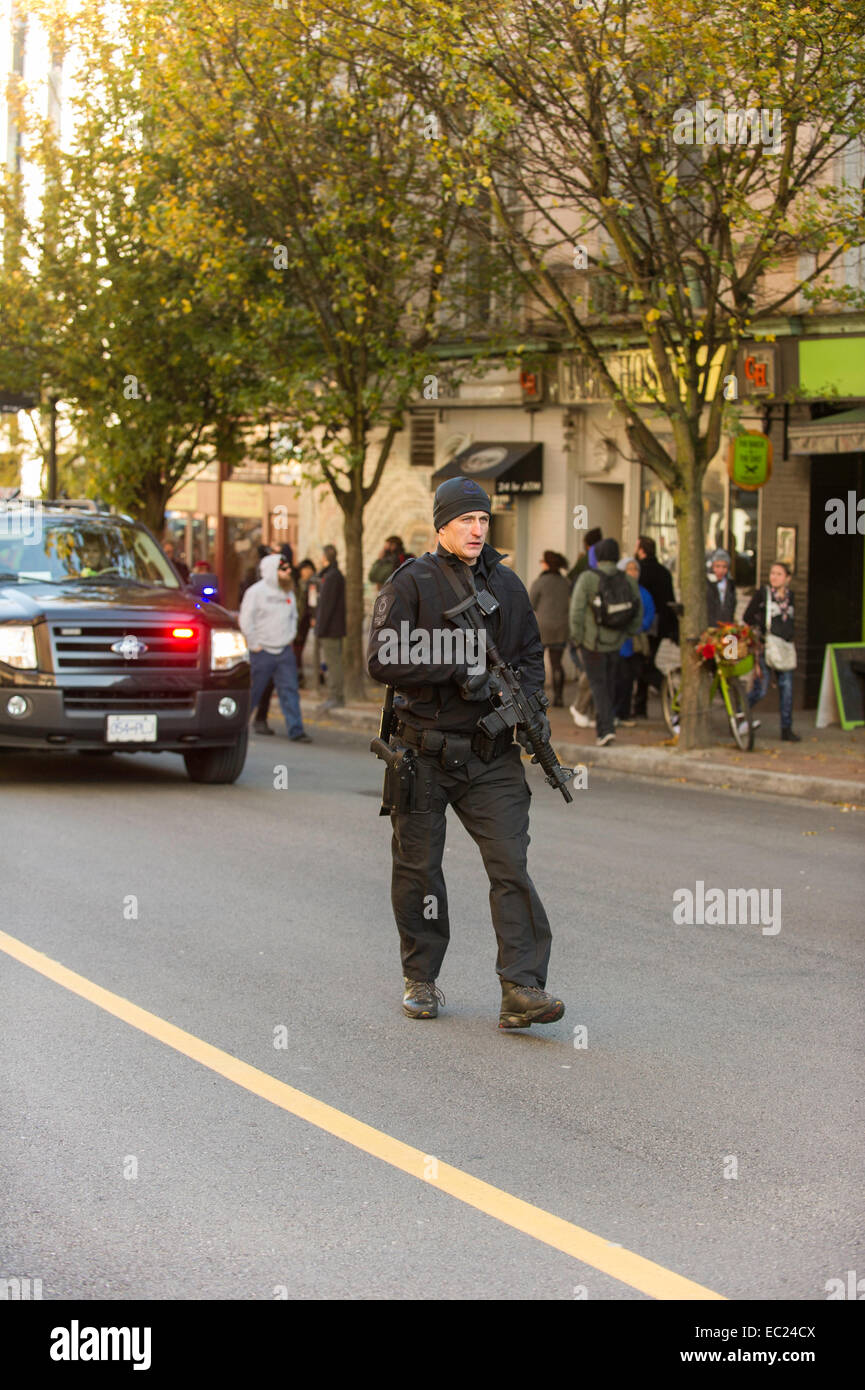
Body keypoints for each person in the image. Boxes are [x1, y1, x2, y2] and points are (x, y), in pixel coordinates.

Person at [366, 475, 565, 1030]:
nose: (477, 529)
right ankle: (421, 979)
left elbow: (528, 654)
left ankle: (522, 988)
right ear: (442, 526)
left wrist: (531, 708)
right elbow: (381, 660)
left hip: (490, 756)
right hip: (424, 752)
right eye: (465, 521)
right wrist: (457, 669)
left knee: (511, 867)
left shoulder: (508, 586)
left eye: (483, 520)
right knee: (419, 870)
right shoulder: (409, 585)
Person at [569, 537, 642, 746]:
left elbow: (576, 611)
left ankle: (605, 730)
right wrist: (626, 634)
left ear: (598, 556)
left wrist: (577, 637)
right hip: (615, 642)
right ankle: (605, 726)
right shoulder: (627, 579)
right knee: (608, 684)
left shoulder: (587, 578)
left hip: (592, 643)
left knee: (598, 685)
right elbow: (637, 610)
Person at [238, 554, 312, 743]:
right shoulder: (255, 592)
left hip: (283, 651)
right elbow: (246, 620)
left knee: (290, 690)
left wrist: (290, 638)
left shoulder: (287, 593)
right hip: (262, 652)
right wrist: (255, 645)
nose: (288, 572)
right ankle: (237, 727)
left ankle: (296, 730)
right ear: (272, 571)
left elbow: (293, 617)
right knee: (254, 691)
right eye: (283, 569)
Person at [743, 561, 800, 742]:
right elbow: (747, 616)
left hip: (785, 647)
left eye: (779, 574)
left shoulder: (791, 596)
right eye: (772, 573)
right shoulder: (763, 593)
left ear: (788, 578)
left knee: (787, 688)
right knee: (761, 689)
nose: (774, 577)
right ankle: (739, 713)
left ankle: (786, 728)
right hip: (766, 646)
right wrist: (761, 629)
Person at [632, 535, 678, 717]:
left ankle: (669, 690)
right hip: (660, 625)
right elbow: (670, 601)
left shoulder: (640, 571)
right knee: (646, 662)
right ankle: (640, 707)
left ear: (641, 549)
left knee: (643, 666)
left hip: (645, 624)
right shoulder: (664, 572)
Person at [614, 556, 655, 725]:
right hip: (618, 644)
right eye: (629, 569)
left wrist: (640, 626)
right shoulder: (616, 591)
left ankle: (624, 714)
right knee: (617, 680)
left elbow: (649, 614)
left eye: (635, 569)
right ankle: (613, 714)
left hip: (635, 644)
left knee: (629, 680)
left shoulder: (643, 593)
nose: (633, 572)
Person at [529, 550, 571, 706]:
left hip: (543, 627)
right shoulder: (566, 582)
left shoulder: (540, 582)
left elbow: (531, 603)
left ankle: (538, 696)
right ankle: (559, 697)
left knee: (538, 662)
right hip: (561, 627)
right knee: (556, 663)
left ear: (546, 564)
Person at [316, 544, 346, 711]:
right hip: (332, 627)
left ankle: (336, 696)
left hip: (331, 629)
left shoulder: (333, 577)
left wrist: (321, 628)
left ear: (325, 557)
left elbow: (327, 606)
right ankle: (334, 695)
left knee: (333, 663)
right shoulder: (333, 575)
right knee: (332, 661)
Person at [293, 558, 317, 688]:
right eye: (305, 569)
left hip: (304, 622)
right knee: (295, 650)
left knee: (299, 649)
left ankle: (299, 677)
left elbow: (312, 604)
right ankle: (297, 676)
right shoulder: (296, 584)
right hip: (294, 621)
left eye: (310, 570)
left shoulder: (313, 585)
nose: (307, 572)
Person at [706, 548, 737, 626]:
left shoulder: (730, 584)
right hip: (711, 626)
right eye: (717, 566)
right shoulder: (707, 583)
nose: (721, 570)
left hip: (726, 625)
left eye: (724, 567)